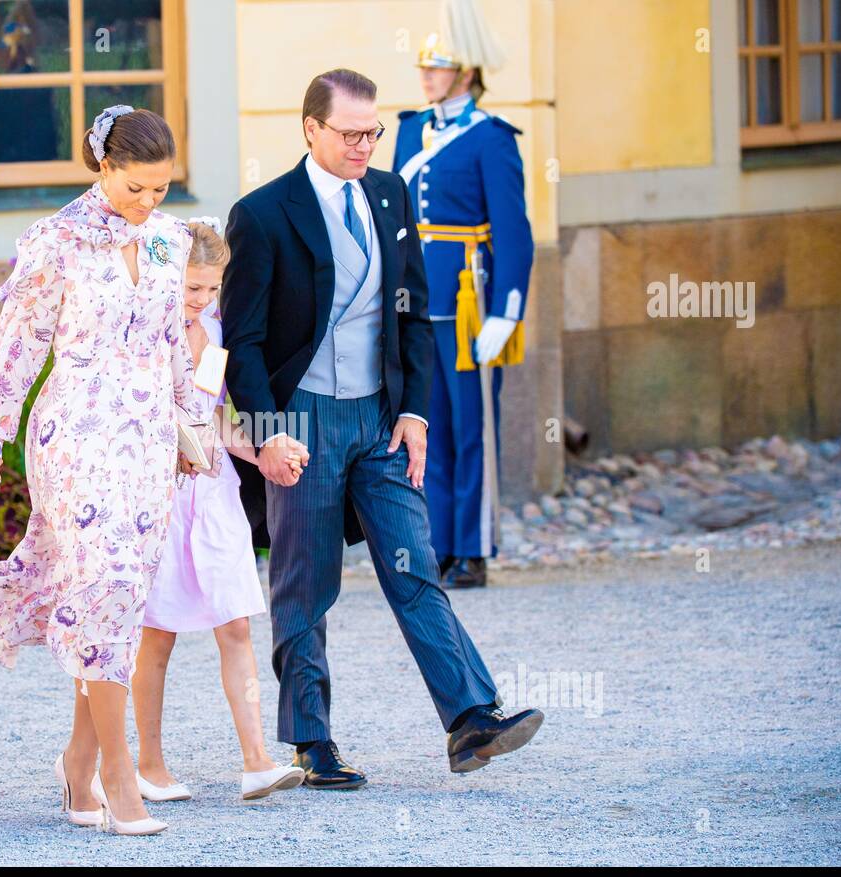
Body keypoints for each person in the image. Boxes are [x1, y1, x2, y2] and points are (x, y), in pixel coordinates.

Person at [220, 68, 543, 788]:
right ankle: (312, 741)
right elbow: (241, 340)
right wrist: (267, 431)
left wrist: (414, 409)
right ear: (311, 128)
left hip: (378, 417)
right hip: (300, 419)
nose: (366, 144)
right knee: (304, 584)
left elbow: (414, 313)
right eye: (351, 133)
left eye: (371, 132)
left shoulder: (390, 193)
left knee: (414, 564)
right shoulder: (264, 213)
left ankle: (470, 721)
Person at [0, 106, 209, 836]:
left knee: (121, 598)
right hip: (76, 437)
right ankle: (118, 777)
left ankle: (76, 761)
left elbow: (173, 346)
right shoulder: (56, 242)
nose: (149, 203)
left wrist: (194, 425)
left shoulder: (169, 241)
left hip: (148, 439)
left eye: (161, 188)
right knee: (102, 584)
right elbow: (18, 343)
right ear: (103, 168)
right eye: (136, 188)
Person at [133, 218, 308, 802]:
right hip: (155, 494)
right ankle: (148, 766)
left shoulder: (215, 329)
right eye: (192, 288)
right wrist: (174, 446)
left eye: (212, 288)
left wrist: (265, 450)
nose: (204, 300)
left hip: (213, 491)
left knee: (235, 623)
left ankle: (257, 760)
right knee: (156, 635)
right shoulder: (140, 332)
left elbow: (215, 419)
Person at [392, 0, 534, 588]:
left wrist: (507, 310)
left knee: (472, 425)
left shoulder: (492, 138)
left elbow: (514, 231)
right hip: (415, 305)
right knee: (426, 427)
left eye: (439, 67)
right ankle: (437, 544)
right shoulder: (407, 130)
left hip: (468, 303)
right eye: (424, 67)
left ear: (468, 73)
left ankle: (473, 548)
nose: (427, 77)